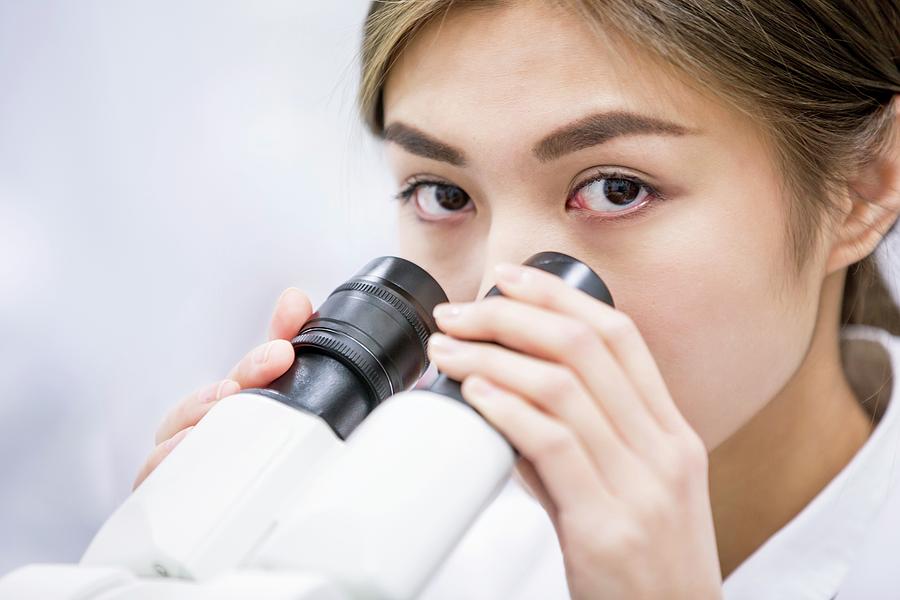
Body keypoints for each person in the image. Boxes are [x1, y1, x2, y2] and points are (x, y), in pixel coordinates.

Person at [134, 1, 900, 597]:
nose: (497, 287)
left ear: (866, 187)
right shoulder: (410, 548)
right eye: (442, 192)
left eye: (615, 188)